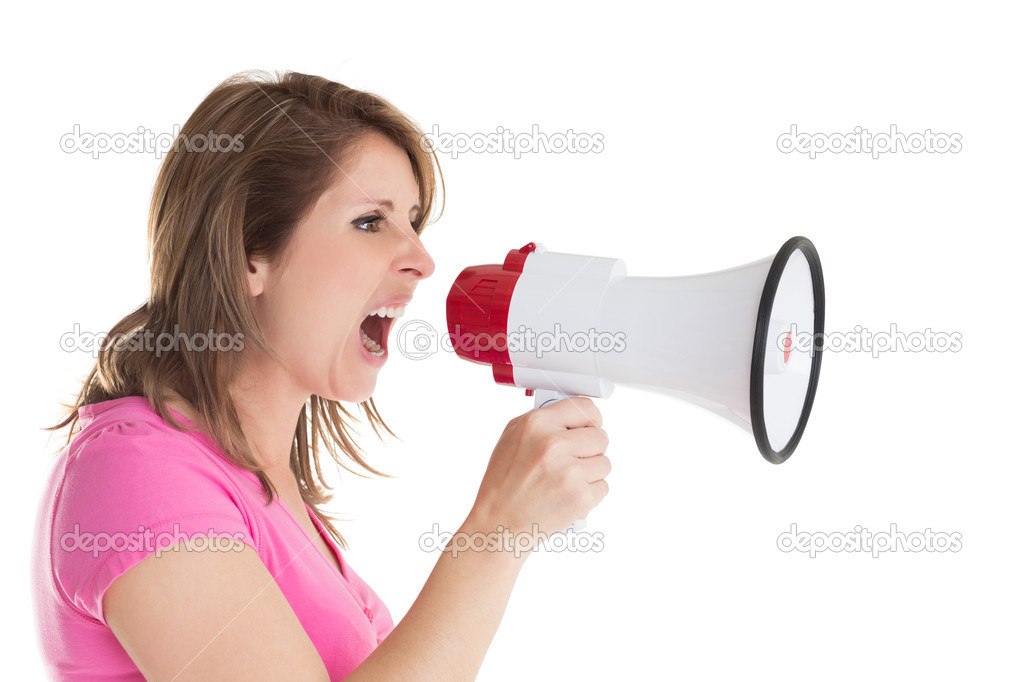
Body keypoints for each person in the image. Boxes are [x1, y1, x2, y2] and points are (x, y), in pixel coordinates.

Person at [32, 70, 611, 681]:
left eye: (413, 221)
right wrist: (498, 530)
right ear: (248, 256)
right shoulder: (138, 469)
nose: (421, 258)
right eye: (370, 221)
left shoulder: (266, 497)